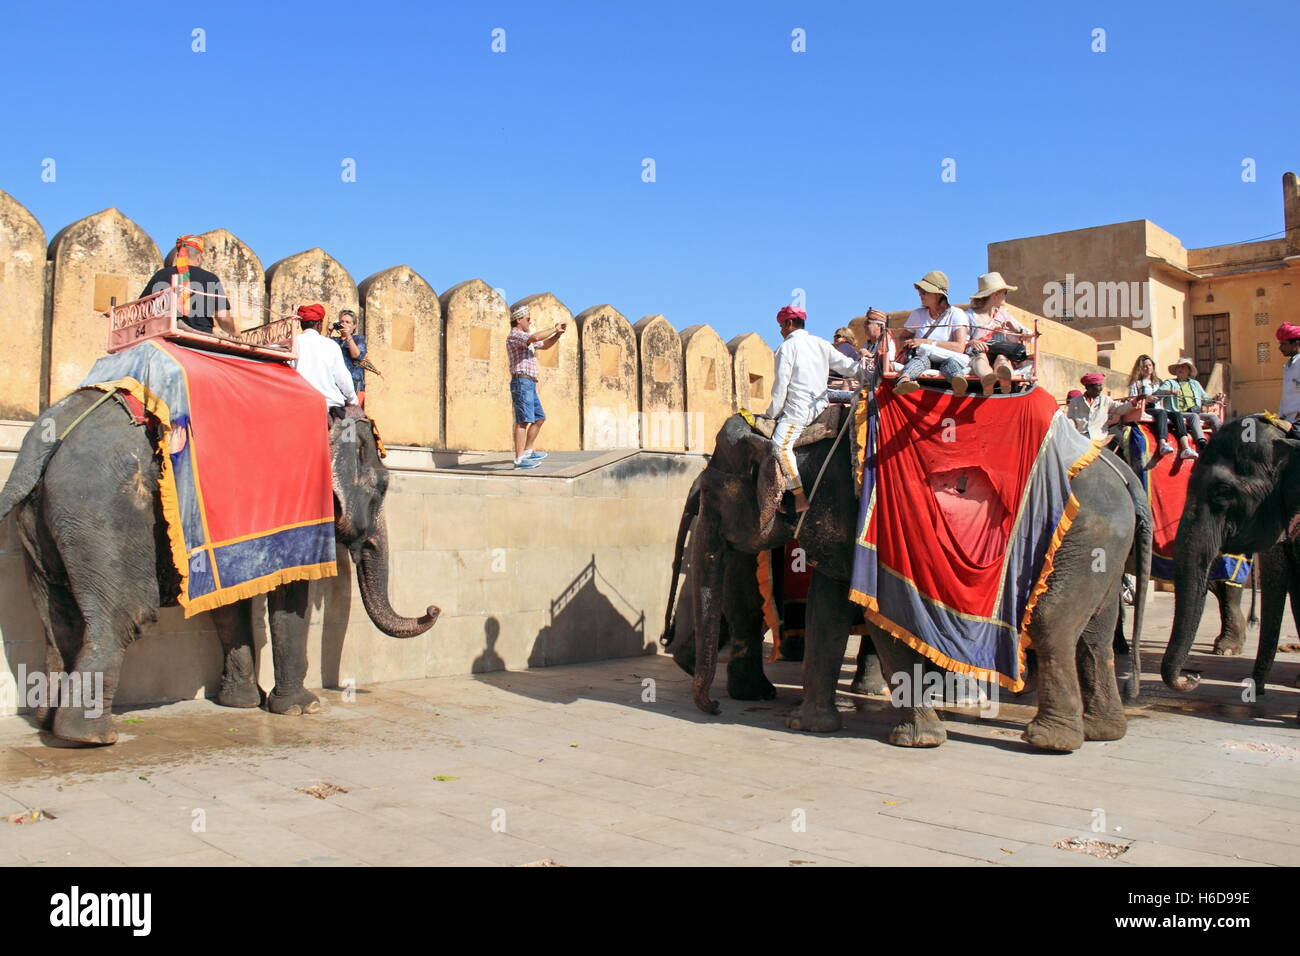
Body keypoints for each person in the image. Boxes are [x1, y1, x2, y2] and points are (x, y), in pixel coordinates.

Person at [768, 305, 863, 513]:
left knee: (779, 446)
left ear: (789, 323)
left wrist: (771, 414)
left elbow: (781, 386)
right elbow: (848, 367)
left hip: (798, 410)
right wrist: (871, 376)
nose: (781, 331)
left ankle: (799, 497)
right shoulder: (820, 343)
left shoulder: (786, 348)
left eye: (781, 326)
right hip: (820, 405)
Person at [507, 304, 566, 469]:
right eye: (527, 319)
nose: (530, 322)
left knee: (539, 418)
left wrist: (558, 334)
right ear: (519, 320)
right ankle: (519, 460)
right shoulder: (515, 335)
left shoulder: (526, 338)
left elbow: (545, 345)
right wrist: (554, 328)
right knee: (523, 420)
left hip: (530, 383)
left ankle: (528, 451)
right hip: (521, 381)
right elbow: (536, 337)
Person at [895, 270, 971, 396]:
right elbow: (902, 337)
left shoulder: (957, 314)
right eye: (920, 291)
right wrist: (907, 344)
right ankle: (904, 381)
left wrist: (927, 342)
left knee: (951, 363)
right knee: (920, 360)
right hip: (923, 357)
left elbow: (959, 347)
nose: (920, 294)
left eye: (924, 291)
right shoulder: (917, 314)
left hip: (948, 358)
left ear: (938, 294)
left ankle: (958, 383)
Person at [139, 235, 233, 336]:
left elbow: (140, 310)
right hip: (200, 337)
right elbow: (223, 318)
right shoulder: (210, 278)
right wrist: (235, 332)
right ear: (198, 258)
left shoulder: (161, 275)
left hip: (163, 334)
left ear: (179, 256)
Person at [964, 272, 1032, 394]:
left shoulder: (1004, 315)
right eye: (1005, 292)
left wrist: (1015, 329)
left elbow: (1029, 336)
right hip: (979, 353)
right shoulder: (969, 316)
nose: (1006, 295)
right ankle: (987, 380)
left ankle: (1004, 381)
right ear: (995, 294)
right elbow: (962, 342)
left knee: (1002, 358)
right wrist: (973, 342)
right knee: (981, 357)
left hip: (1000, 352)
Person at [291, 303, 357, 415]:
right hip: (327, 408)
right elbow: (343, 379)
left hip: (298, 406)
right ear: (319, 324)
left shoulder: (292, 343)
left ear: (301, 324)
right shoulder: (331, 345)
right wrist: (353, 400)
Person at [1156, 357, 1225, 459]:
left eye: (1183, 367)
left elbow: (1205, 400)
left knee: (1213, 417)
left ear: (1189, 371)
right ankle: (1202, 442)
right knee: (1194, 416)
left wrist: (1215, 399)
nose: (1180, 369)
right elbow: (1157, 394)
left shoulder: (1195, 384)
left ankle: (1222, 441)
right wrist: (1169, 392)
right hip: (1177, 413)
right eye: (1179, 367)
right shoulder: (1169, 383)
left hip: (1195, 412)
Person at [1126, 353, 1185, 456]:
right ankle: (1162, 444)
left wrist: (1170, 392)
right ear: (1140, 368)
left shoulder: (1159, 382)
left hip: (1158, 408)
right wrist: (1146, 399)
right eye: (1145, 366)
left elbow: (1162, 396)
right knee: (1161, 413)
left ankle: (1185, 447)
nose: (1148, 368)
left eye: (1150, 365)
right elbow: (1132, 399)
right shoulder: (1136, 383)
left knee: (1176, 414)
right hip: (1145, 408)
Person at [1067, 373, 1135, 442]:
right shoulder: (1074, 402)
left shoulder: (1105, 400)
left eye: (1101, 385)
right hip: (1081, 438)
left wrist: (1134, 402)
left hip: (1100, 438)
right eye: (1098, 385)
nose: (1101, 389)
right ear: (1088, 387)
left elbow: (1119, 408)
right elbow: (1071, 420)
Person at [331, 309, 368, 406]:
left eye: (347, 322)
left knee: (352, 414)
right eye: (342, 321)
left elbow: (357, 356)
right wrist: (328, 332)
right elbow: (324, 354)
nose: (344, 324)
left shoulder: (359, 339)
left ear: (354, 325)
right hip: (336, 385)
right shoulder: (334, 340)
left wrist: (348, 336)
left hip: (354, 384)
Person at [1278, 323, 1300, 423]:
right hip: (1287, 419)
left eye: (1283, 344)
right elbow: (1286, 395)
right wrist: (1280, 416)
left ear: (1295, 344)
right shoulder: (1287, 366)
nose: (1280, 348)